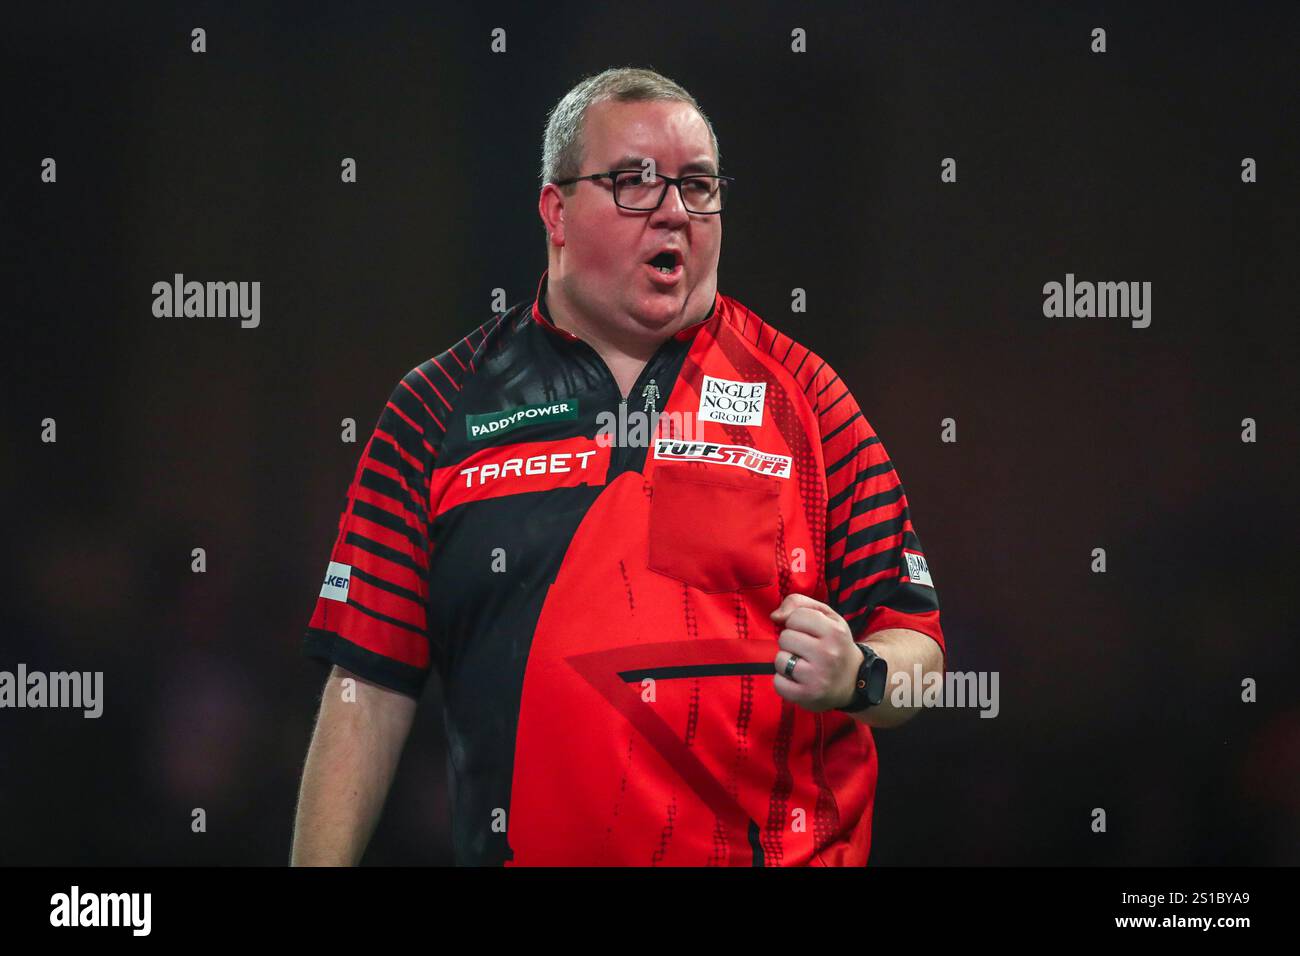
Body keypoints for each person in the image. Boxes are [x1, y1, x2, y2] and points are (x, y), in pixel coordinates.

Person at [291, 67, 945, 867]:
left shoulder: (808, 399)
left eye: (697, 185)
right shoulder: (434, 409)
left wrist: (862, 677)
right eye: (634, 182)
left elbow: (923, 665)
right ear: (555, 211)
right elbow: (365, 694)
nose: (673, 209)